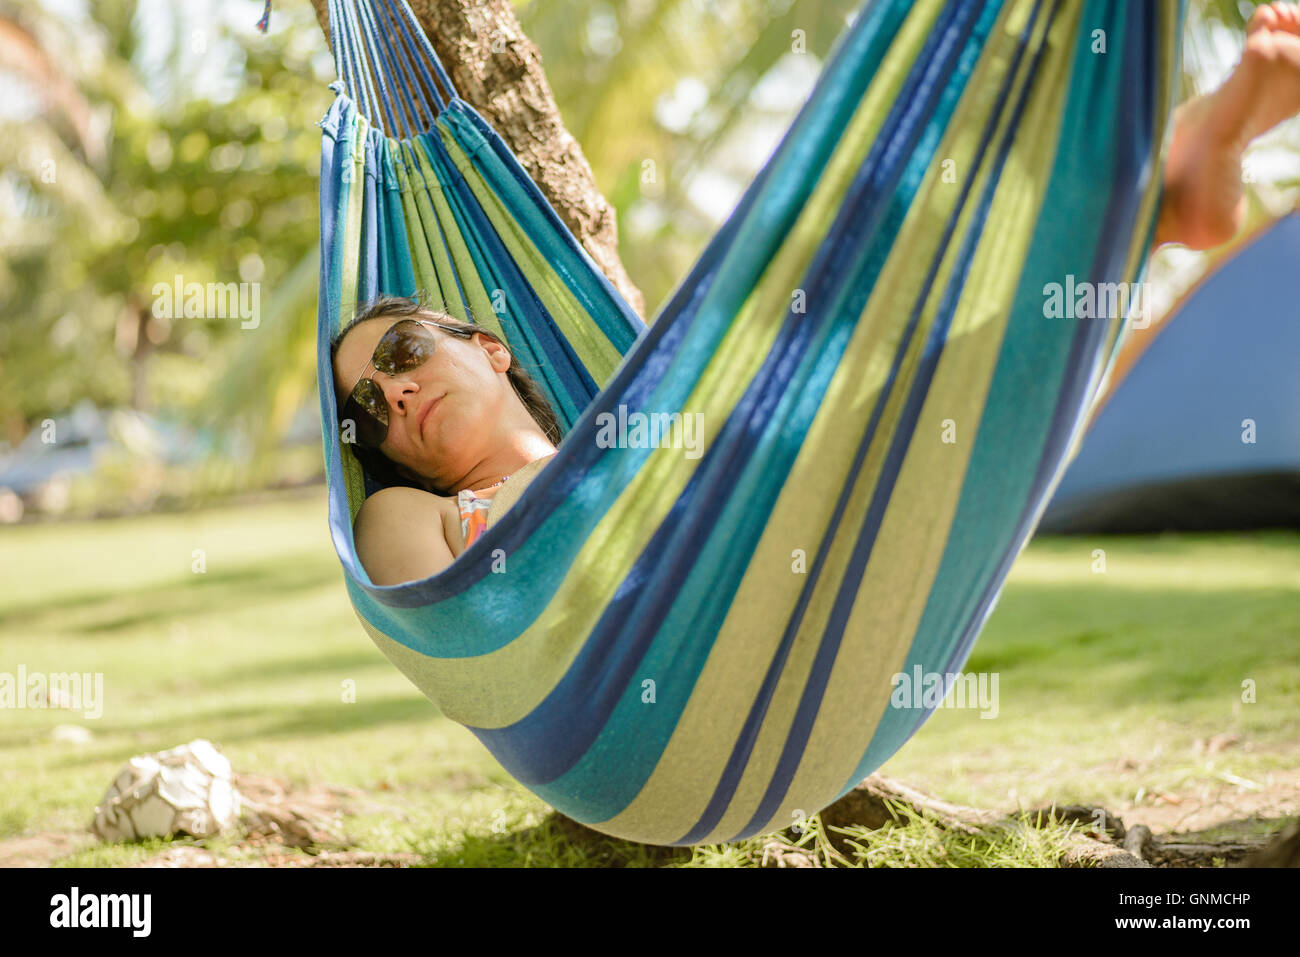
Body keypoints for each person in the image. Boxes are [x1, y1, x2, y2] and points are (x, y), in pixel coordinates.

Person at [331, 1, 1300, 586]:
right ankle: (1160, 201)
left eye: (404, 353)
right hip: (678, 606)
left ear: (490, 348)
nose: (395, 393)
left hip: (789, 507)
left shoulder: (623, 414)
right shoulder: (402, 514)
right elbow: (471, 619)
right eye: (369, 404)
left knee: (910, 325)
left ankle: (1149, 201)